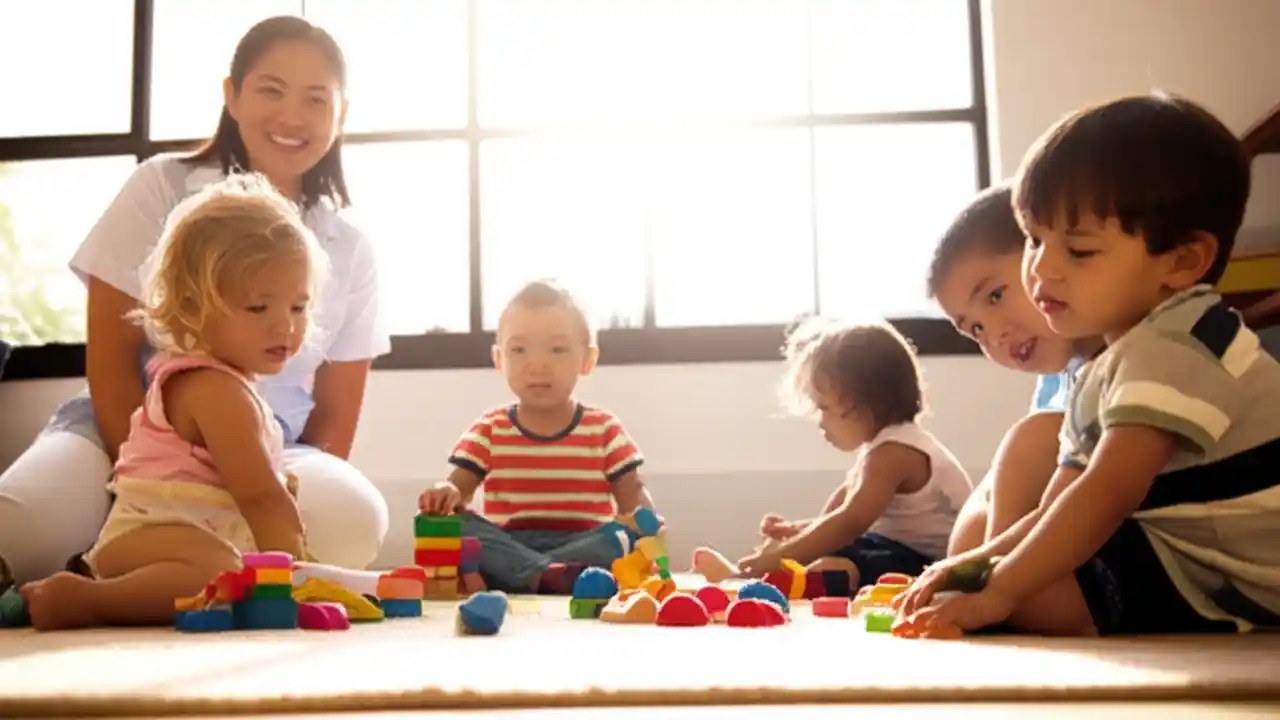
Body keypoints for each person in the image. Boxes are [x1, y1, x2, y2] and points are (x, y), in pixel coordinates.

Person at [0, 16, 389, 593]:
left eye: (315, 98)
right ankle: (108, 562)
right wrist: (139, 482)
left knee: (354, 523)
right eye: (271, 90)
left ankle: (132, 570)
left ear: (341, 114)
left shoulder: (350, 248)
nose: (291, 116)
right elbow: (110, 354)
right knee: (19, 528)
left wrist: (262, 486)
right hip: (131, 427)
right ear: (232, 95)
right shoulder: (161, 186)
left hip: (269, 445)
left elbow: (336, 413)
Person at [898, 93, 1280, 637]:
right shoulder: (1105, 368)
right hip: (1192, 560)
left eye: (1077, 251)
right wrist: (973, 566)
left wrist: (1002, 588)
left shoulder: (1177, 344)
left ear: (1181, 261)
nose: (1043, 268)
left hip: (1242, 581)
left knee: (1032, 593)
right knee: (1008, 576)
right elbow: (1058, 505)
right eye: (1034, 240)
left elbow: (1106, 492)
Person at [21, 174, 322, 630]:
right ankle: (89, 598)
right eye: (259, 308)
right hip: (146, 540)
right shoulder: (212, 388)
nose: (285, 325)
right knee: (223, 573)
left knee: (231, 573)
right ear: (191, 306)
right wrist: (301, 576)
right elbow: (262, 497)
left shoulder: (238, 385)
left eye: (298, 307)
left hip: (195, 541)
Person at [418, 280, 659, 594]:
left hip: (584, 540)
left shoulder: (603, 428)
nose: (537, 365)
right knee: (461, 526)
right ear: (499, 359)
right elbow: (458, 490)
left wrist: (648, 524)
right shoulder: (490, 428)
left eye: (557, 349)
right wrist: (444, 492)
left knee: (618, 537)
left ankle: (529, 574)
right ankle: (548, 574)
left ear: (587, 360)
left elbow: (632, 493)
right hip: (509, 540)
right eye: (519, 350)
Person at [697, 318, 973, 591]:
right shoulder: (878, 450)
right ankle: (763, 577)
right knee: (827, 548)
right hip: (893, 548)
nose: (820, 421)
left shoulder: (894, 454)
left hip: (931, 565)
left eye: (825, 408)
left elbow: (849, 522)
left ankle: (763, 579)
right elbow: (836, 517)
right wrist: (799, 532)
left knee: (846, 560)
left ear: (867, 401)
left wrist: (778, 558)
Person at [926, 183, 1102, 558]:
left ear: (1041, 259)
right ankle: (980, 579)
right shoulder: (1056, 382)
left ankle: (996, 582)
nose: (995, 335)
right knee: (991, 485)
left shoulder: (1127, 352)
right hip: (1074, 536)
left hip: (1131, 547)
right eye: (975, 330)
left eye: (995, 296)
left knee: (1032, 439)